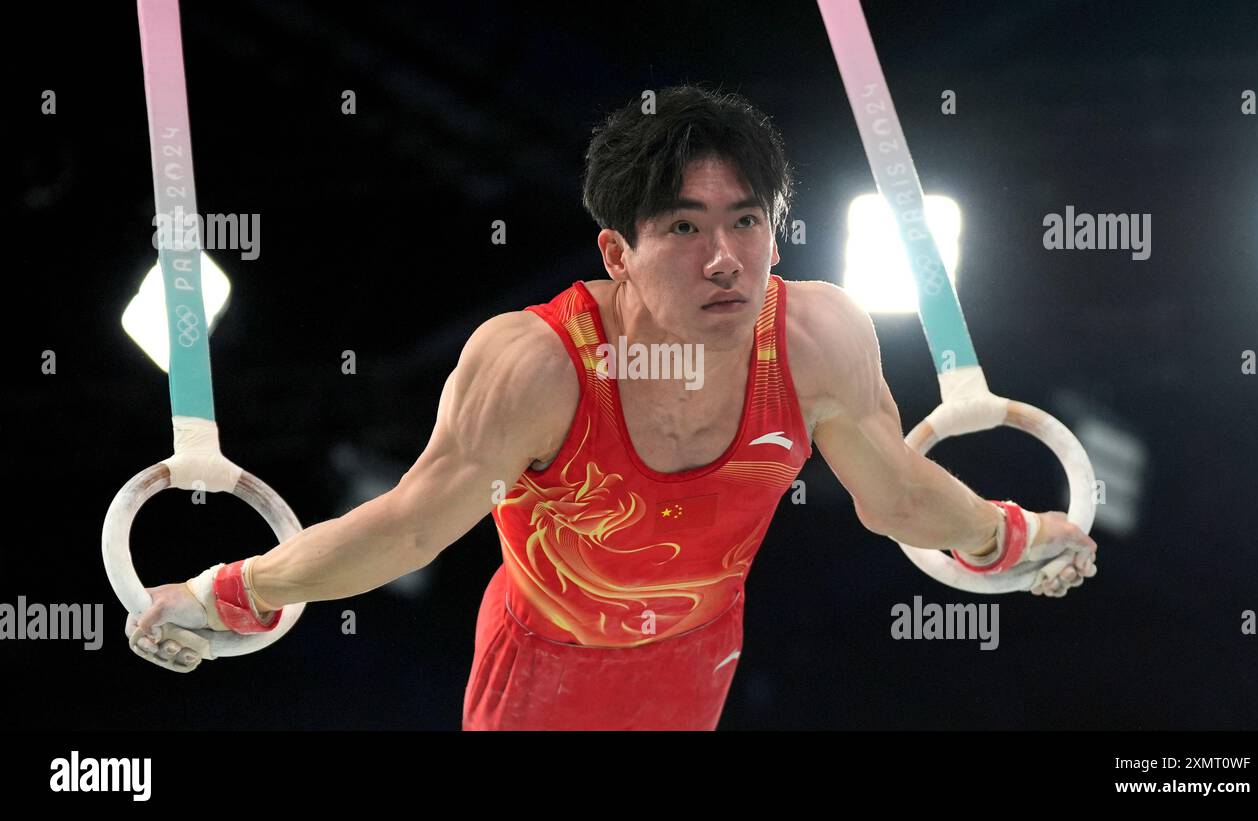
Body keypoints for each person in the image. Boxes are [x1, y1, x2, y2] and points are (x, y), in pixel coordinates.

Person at [125, 84, 1098, 729]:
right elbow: (409, 529)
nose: (726, 258)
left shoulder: (817, 335)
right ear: (616, 252)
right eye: (684, 226)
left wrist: (1007, 534)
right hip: (542, 661)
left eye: (747, 221)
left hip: (694, 655)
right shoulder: (537, 363)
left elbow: (894, 496)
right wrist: (231, 591)